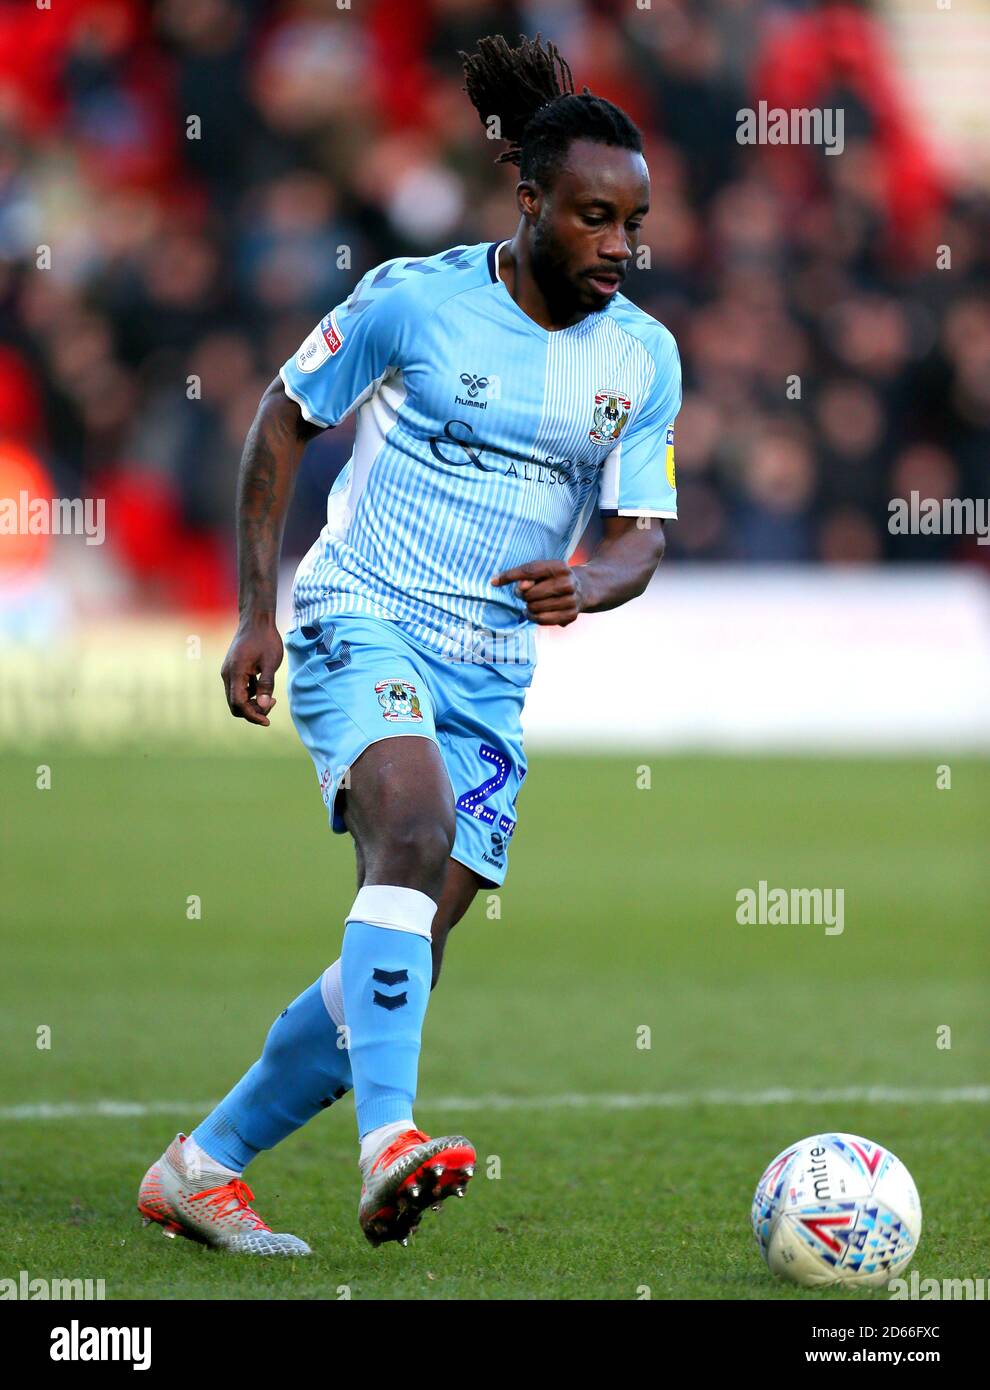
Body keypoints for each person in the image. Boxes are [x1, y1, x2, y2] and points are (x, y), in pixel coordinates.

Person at [138, 33, 681, 1256]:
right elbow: (283, 419)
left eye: (634, 224)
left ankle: (201, 1166)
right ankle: (391, 1145)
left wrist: (589, 579)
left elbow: (643, 533)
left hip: (490, 671)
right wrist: (257, 607)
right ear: (529, 199)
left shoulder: (642, 358)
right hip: (361, 615)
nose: (618, 247)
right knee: (414, 834)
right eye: (594, 218)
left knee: (405, 947)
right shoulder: (411, 301)